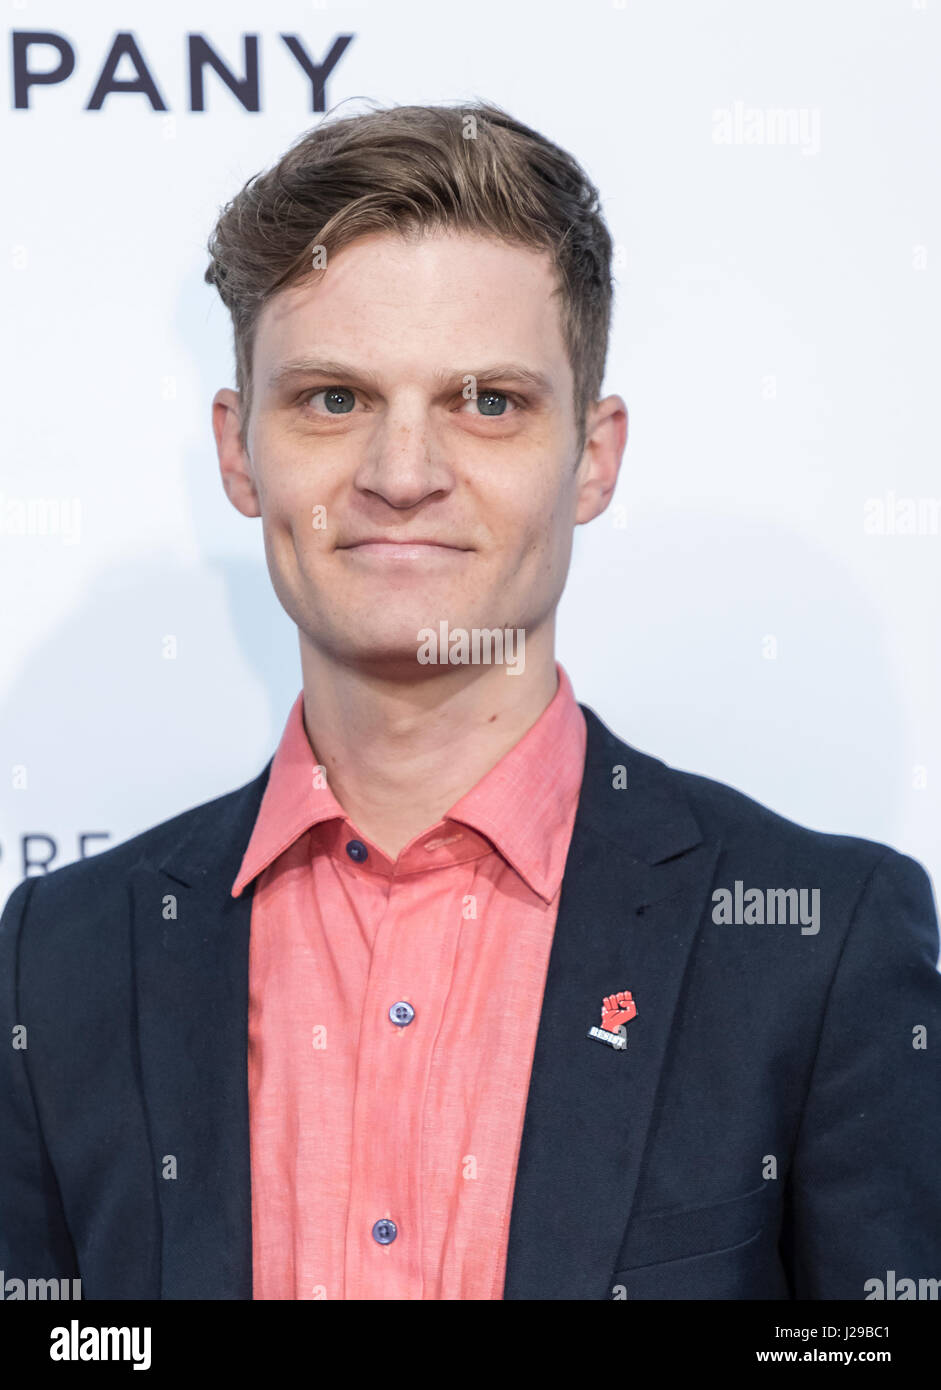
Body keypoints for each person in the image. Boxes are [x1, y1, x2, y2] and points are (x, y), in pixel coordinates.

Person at [1, 100, 939, 1301]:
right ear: (238, 453)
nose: (402, 474)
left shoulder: (819, 940)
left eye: (485, 401)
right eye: (333, 399)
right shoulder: (61, 964)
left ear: (592, 456)